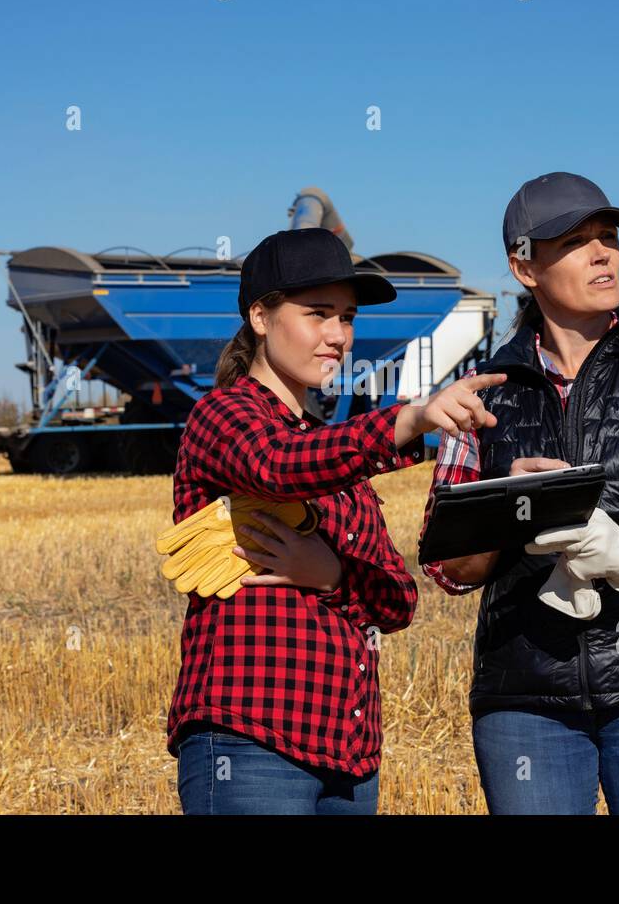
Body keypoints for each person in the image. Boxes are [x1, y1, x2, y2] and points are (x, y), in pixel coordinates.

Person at [419, 172, 619, 814]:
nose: (604, 254)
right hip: (525, 703)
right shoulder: (479, 391)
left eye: (608, 237)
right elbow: (448, 568)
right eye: (576, 241)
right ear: (525, 267)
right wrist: (506, 508)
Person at [166, 226, 504, 814]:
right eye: (318, 313)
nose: (338, 336)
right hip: (250, 741)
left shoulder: (337, 452)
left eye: (346, 318)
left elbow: (398, 600)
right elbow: (274, 467)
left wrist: (331, 577)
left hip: (348, 757)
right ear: (261, 317)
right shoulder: (221, 415)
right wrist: (412, 419)